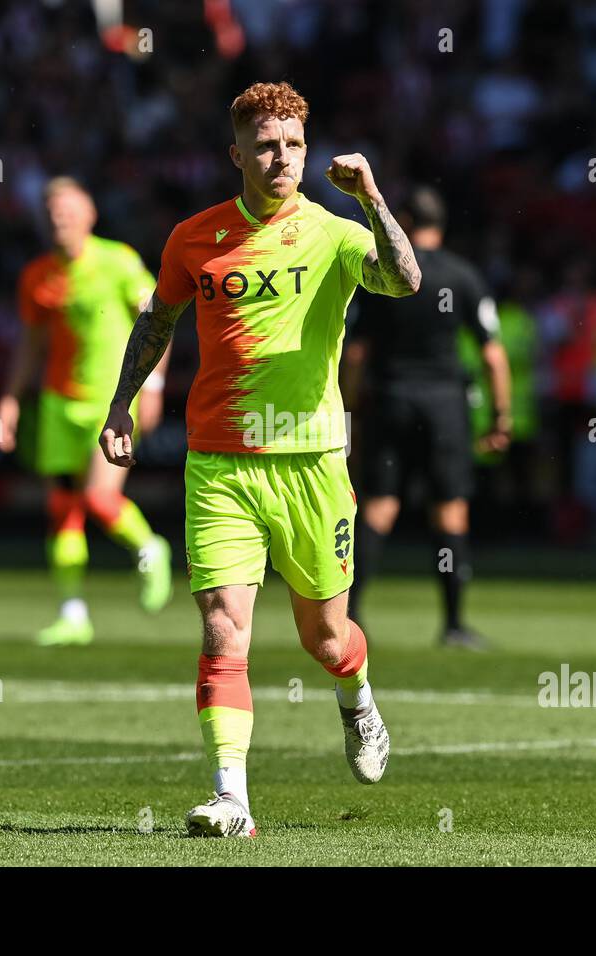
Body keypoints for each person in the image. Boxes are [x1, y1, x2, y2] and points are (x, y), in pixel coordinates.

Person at [99, 81, 420, 837]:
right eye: (267, 145)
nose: (282, 158)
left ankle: (358, 699)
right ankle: (231, 799)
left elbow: (407, 279)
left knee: (326, 639)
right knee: (222, 629)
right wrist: (120, 403)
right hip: (221, 463)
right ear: (236, 153)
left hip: (311, 462)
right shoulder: (193, 237)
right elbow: (158, 320)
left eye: (294, 145)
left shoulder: (336, 231)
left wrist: (373, 195)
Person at [0, 177, 173, 646]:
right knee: (62, 511)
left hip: (110, 403)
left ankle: (151, 547)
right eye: (53, 213)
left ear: (90, 215)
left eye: (69, 211)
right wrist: (10, 400)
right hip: (58, 404)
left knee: (98, 499)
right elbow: (30, 345)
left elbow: (158, 320)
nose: (60, 220)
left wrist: (151, 386)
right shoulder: (37, 276)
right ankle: (73, 614)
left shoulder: (118, 261)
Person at [344, 185, 512, 649]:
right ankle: (454, 624)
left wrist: (349, 410)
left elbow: (357, 353)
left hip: (391, 399)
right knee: (450, 512)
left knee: (378, 506)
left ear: (405, 220)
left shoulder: (388, 273)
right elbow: (493, 355)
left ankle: (353, 617)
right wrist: (501, 418)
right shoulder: (464, 276)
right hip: (445, 407)